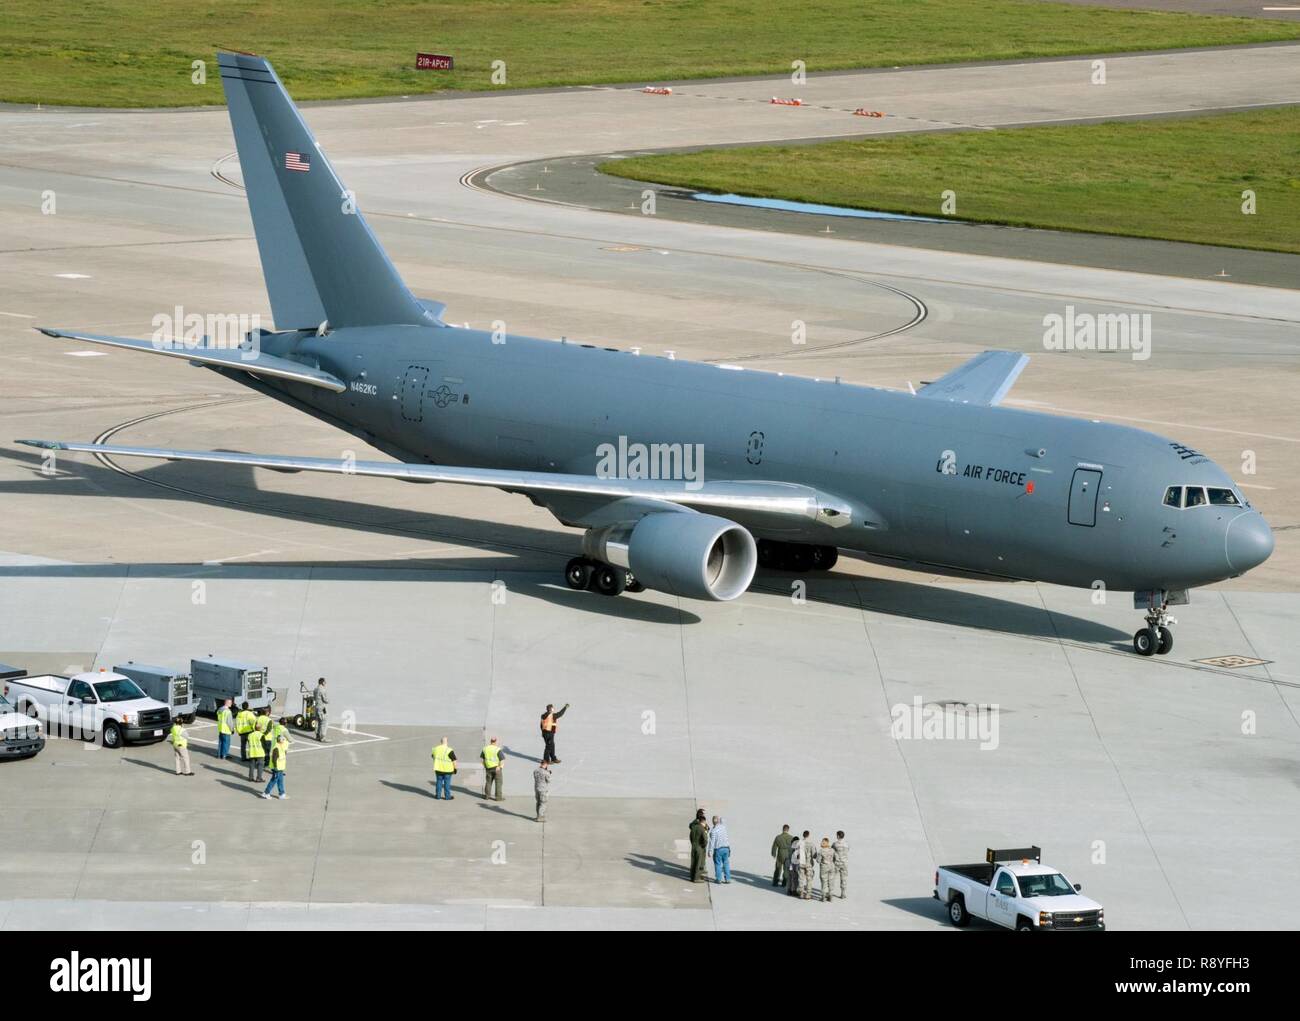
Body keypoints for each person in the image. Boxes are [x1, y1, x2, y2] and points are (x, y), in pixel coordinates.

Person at [261, 732, 289, 800]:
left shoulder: (281, 746)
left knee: (280, 780)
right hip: (276, 767)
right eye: (283, 740)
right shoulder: (276, 748)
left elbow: (284, 752)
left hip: (280, 767)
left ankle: (281, 794)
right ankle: (266, 793)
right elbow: (274, 759)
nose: (284, 741)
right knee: (274, 780)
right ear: (280, 740)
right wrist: (275, 768)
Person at [707, 815, 732, 884]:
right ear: (719, 821)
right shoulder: (723, 827)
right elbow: (723, 819)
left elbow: (712, 842)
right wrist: (720, 818)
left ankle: (719, 879)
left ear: (712, 822)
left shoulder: (713, 831)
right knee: (726, 863)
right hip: (726, 848)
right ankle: (728, 879)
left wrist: (710, 851)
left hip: (718, 849)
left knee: (718, 864)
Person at [480, 736, 504, 801]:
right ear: (496, 742)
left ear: (490, 741)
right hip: (497, 769)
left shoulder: (485, 749)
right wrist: (500, 767)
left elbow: (482, 759)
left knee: (488, 782)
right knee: (498, 783)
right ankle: (498, 797)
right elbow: (502, 759)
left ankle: (487, 796)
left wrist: (485, 766)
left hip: (488, 768)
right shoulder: (497, 749)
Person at [689, 809, 709, 883]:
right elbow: (705, 839)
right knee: (698, 862)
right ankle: (697, 878)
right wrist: (703, 845)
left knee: (693, 862)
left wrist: (693, 843)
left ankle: (692, 876)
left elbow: (690, 836)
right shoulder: (701, 828)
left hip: (694, 845)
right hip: (700, 846)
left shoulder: (693, 827)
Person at [246, 711, 266, 783]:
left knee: (252, 765)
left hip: (252, 752)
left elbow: (249, 742)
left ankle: (250, 777)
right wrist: (266, 752)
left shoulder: (250, 735)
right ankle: (259, 778)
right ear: (260, 728)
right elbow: (264, 744)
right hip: (260, 752)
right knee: (260, 765)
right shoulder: (261, 735)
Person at [798, 830, 816, 900]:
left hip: (801, 863)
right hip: (808, 864)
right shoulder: (811, 844)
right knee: (809, 879)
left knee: (801, 878)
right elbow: (814, 855)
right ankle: (808, 894)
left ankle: (801, 893)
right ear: (808, 835)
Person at [832, 831, 849, 900]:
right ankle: (843, 893)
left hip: (836, 863)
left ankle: (830, 892)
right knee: (843, 878)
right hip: (844, 863)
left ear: (838, 836)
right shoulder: (846, 844)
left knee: (833, 877)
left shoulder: (835, 844)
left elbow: (832, 851)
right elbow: (848, 850)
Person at [817, 837, 835, 902]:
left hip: (824, 867)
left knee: (823, 881)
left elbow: (818, 860)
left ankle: (823, 897)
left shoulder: (821, 851)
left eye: (822, 842)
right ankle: (831, 896)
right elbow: (835, 858)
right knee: (831, 881)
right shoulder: (832, 850)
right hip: (831, 866)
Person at [312, 677, 329, 742]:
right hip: (321, 708)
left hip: (316, 707)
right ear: (322, 682)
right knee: (324, 722)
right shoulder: (322, 689)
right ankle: (322, 737)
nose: (325, 683)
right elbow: (325, 700)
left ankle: (317, 736)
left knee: (318, 722)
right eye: (325, 682)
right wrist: (328, 701)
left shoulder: (315, 689)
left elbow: (314, 698)